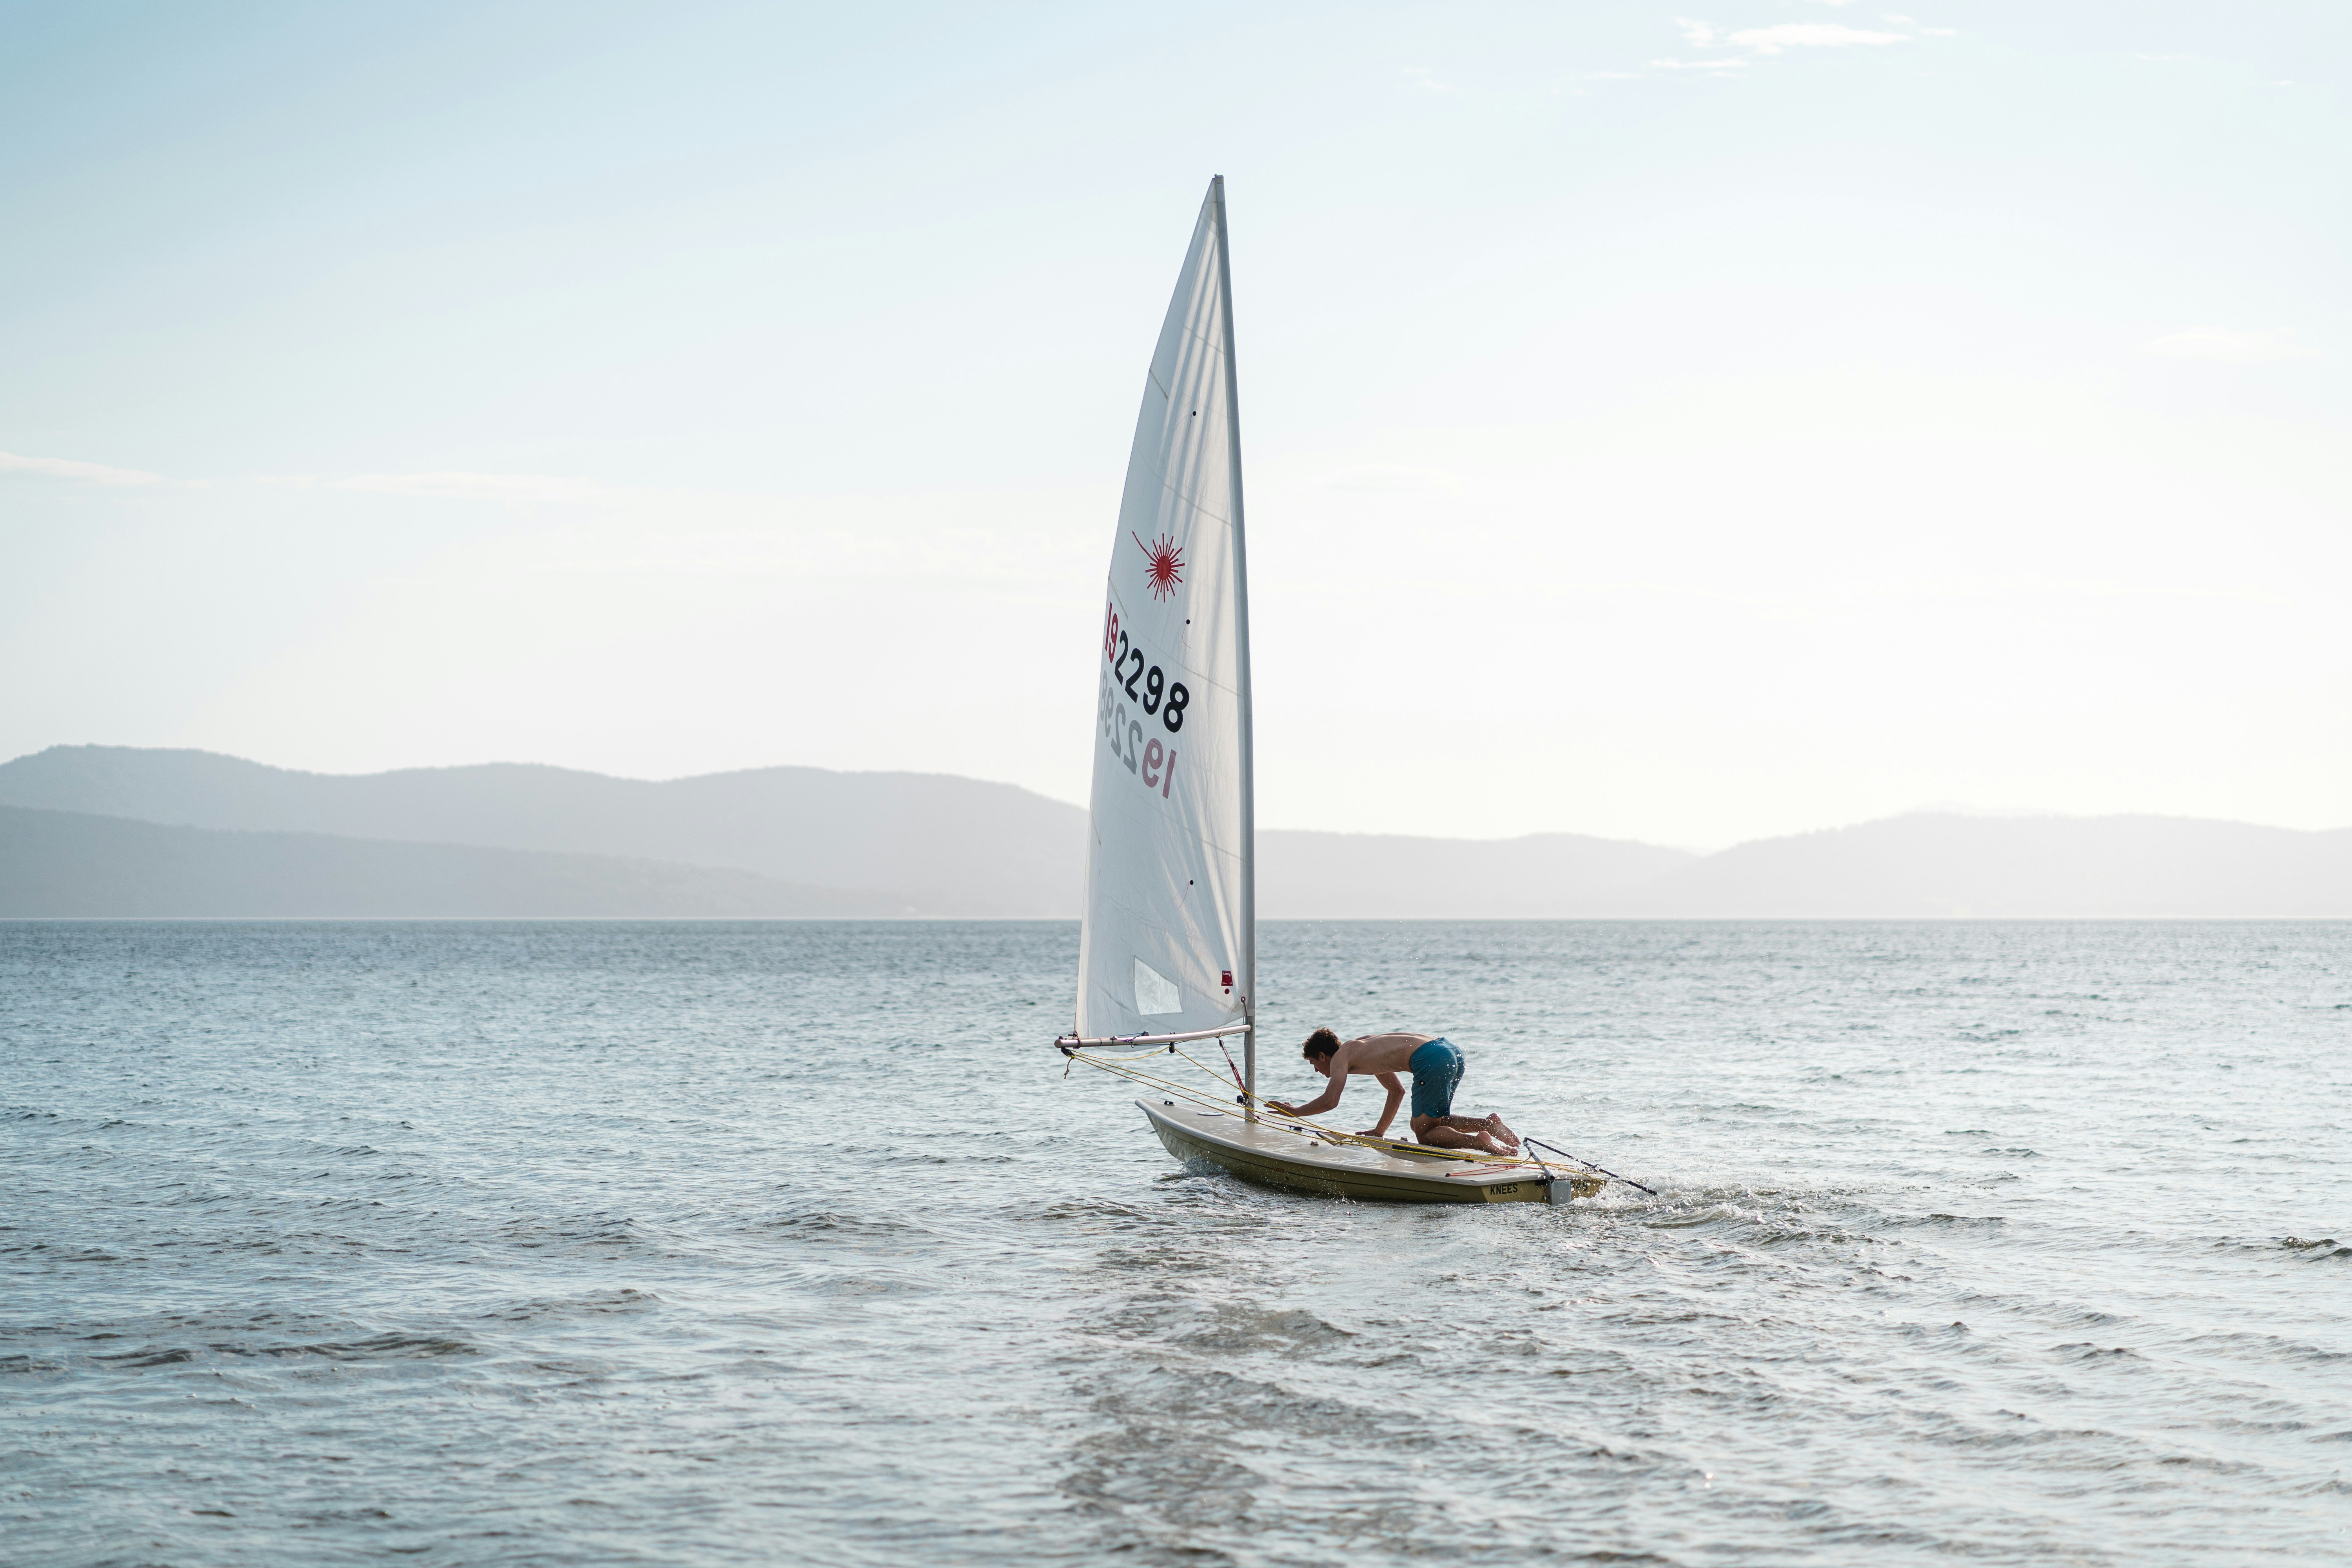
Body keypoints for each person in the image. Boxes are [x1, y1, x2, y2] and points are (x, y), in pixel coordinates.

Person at [1265, 1029, 1520, 1154]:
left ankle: (1480, 1142)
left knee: (1425, 1135)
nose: (1316, 1071)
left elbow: (1331, 1101)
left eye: (1314, 1064)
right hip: (1450, 1051)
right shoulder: (1363, 1049)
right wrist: (1379, 1132)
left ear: (1323, 1055)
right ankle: (1488, 1124)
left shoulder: (1343, 1056)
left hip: (1430, 1058)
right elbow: (1396, 1091)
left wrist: (1295, 1112)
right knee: (1434, 1124)